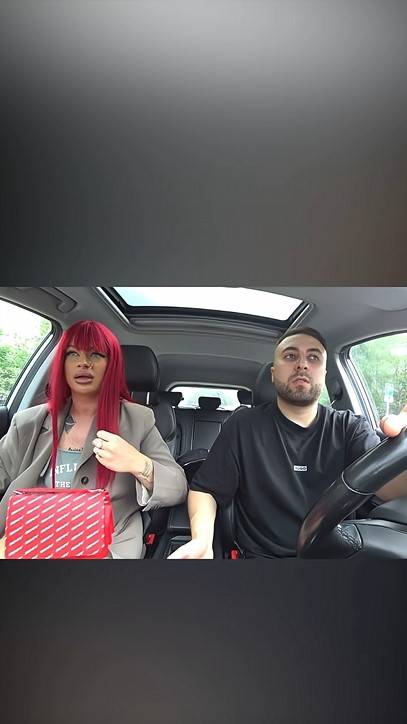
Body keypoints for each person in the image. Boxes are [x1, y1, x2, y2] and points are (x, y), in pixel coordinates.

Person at [168, 327, 407, 559]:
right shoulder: (243, 425)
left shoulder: (350, 427)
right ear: (273, 373)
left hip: (334, 558)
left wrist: (402, 449)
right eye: (291, 356)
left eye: (313, 357)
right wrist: (201, 540)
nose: (302, 364)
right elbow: (205, 489)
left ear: (324, 374)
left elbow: (389, 488)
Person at [0, 320, 187, 558]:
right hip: (27, 539)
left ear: (111, 365)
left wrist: (137, 463)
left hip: (106, 546)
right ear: (62, 364)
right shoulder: (28, 422)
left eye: (95, 354)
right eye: (72, 354)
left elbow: (178, 487)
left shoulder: (138, 419)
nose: (83, 362)